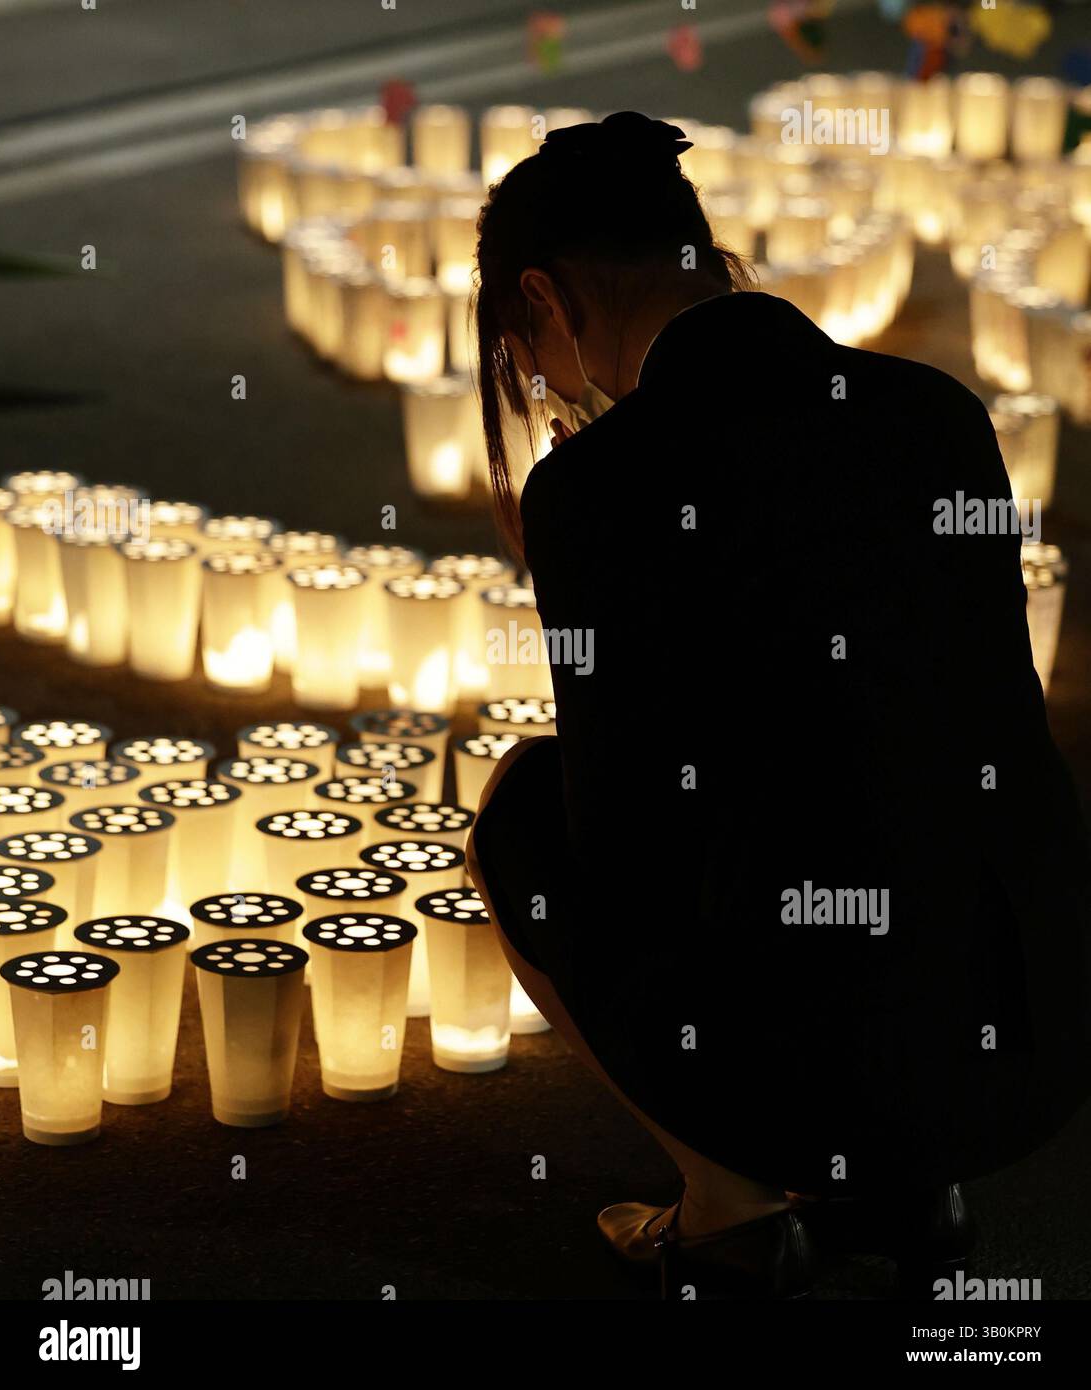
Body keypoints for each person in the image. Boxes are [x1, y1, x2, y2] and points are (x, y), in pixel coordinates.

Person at [465, 110, 1091, 1300]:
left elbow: (619, 826)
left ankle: (729, 1204)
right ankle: (905, 1188)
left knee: (521, 811)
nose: (543, 389)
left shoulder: (597, 488)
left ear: (545, 299)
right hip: (1031, 1030)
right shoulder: (934, 411)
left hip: (805, 1066)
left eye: (522, 353)